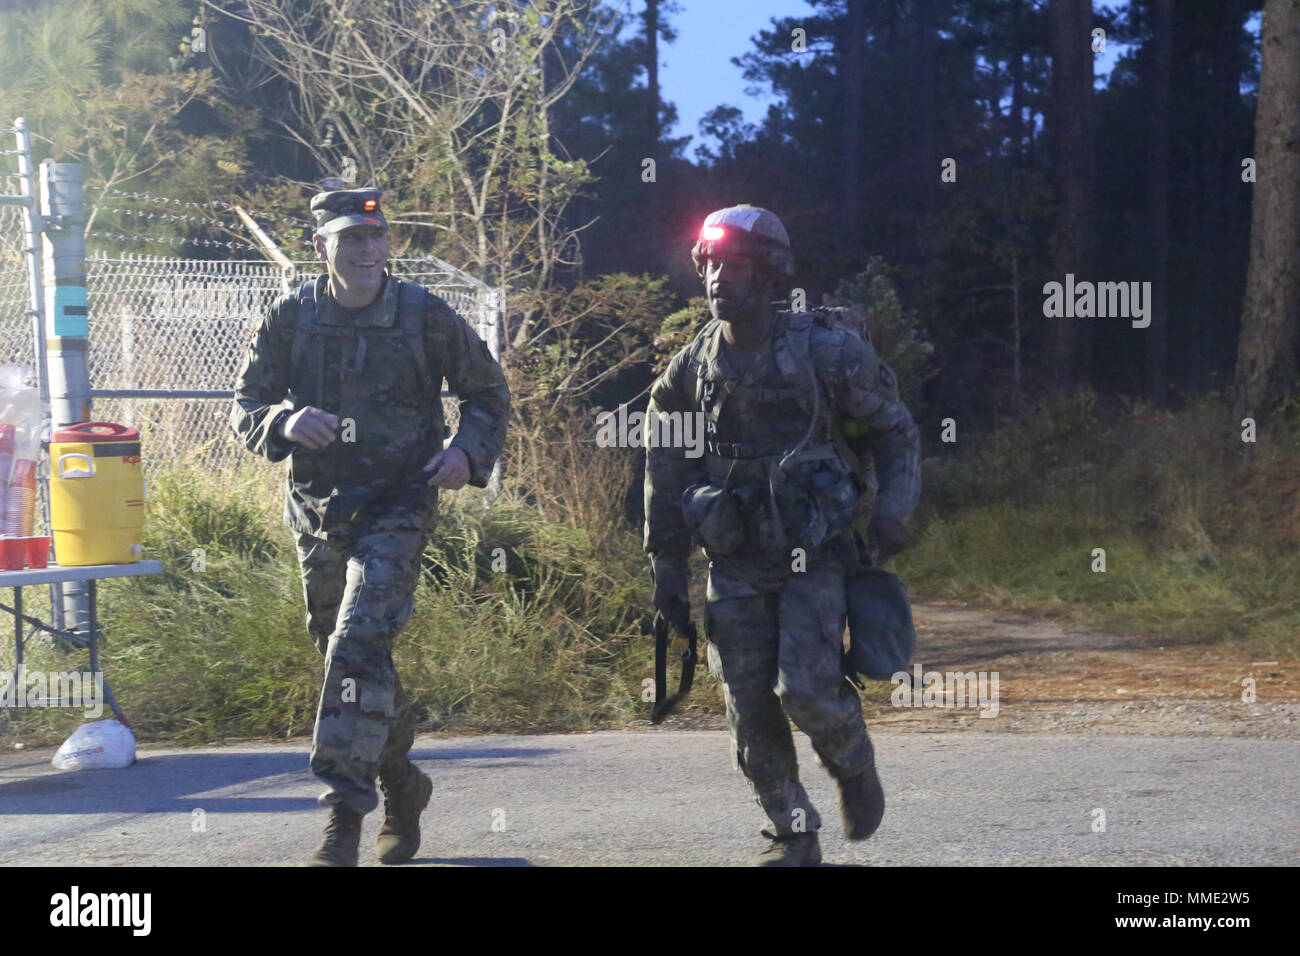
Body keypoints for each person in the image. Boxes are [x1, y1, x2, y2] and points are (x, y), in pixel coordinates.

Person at [230, 187, 509, 866]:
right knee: (347, 656)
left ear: (388, 245)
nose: (364, 250)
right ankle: (403, 785)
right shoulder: (292, 317)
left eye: (374, 237)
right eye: (349, 239)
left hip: (400, 503)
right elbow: (247, 404)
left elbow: (486, 391)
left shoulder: (422, 314)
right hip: (320, 510)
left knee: (357, 641)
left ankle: (343, 818)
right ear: (320, 247)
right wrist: (284, 422)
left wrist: (468, 452)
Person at [643, 204, 921, 866]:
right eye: (708, 265)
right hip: (734, 557)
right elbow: (664, 462)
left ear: (768, 273)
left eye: (733, 265)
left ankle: (855, 764)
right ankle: (793, 832)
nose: (716, 279)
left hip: (815, 552)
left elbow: (896, 429)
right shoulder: (693, 369)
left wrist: (893, 512)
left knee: (804, 689)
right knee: (747, 710)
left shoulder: (827, 353)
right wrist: (666, 569)